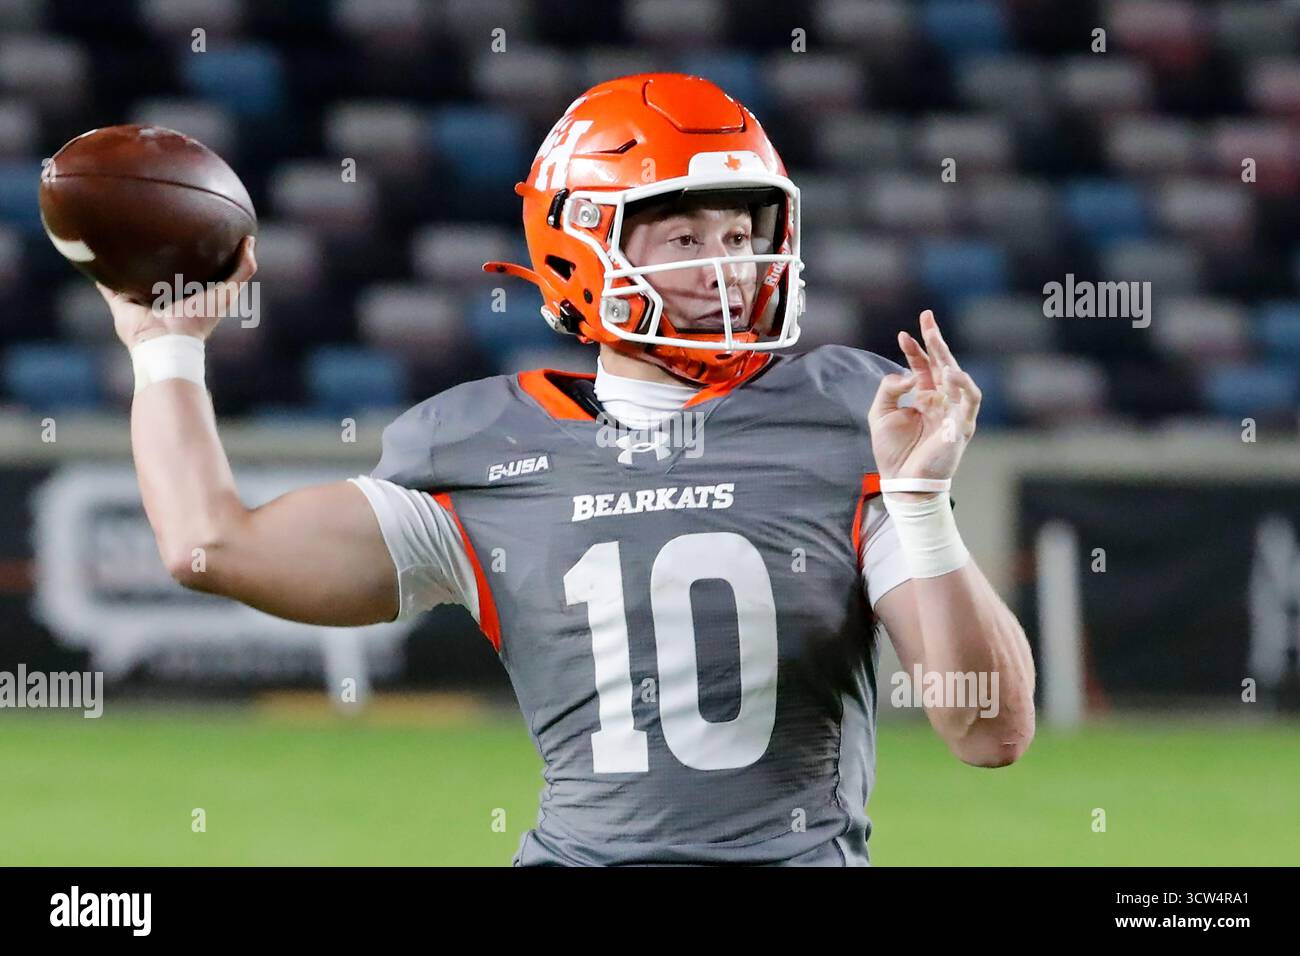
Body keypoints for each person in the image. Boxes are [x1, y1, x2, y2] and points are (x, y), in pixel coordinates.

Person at [100, 73, 1035, 866]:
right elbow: (210, 545)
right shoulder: (479, 448)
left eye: (740, 233)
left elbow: (989, 731)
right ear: (580, 246)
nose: (728, 267)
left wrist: (920, 507)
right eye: (684, 239)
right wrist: (164, 349)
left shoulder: (844, 417)